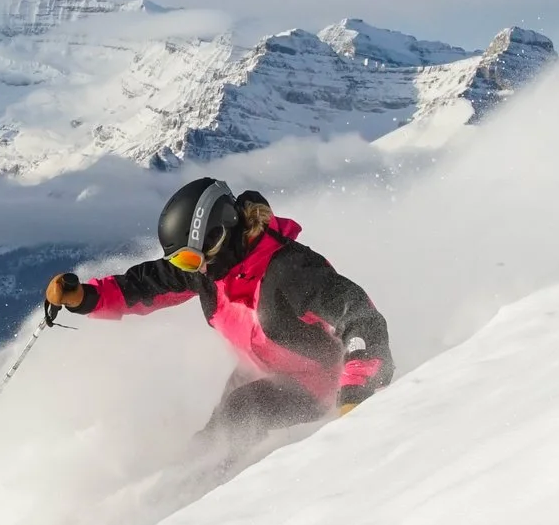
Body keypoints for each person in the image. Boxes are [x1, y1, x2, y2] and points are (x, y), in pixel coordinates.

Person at [44, 177, 392, 461]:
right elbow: (147, 284)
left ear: (220, 235)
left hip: (320, 385)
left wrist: (355, 396)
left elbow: (361, 318)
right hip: (261, 370)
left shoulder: (292, 272)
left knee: (239, 416)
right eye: (182, 263)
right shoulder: (211, 270)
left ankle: (210, 496)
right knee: (212, 438)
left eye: (191, 260)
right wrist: (84, 297)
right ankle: (179, 485)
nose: (193, 270)